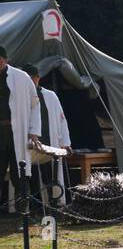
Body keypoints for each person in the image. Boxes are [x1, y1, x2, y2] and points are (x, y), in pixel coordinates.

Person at [22, 63, 71, 214]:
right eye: (28, 79)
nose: (31, 81)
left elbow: (62, 119)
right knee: (31, 178)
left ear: (38, 78)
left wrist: (65, 143)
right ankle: (34, 209)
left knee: (51, 177)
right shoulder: (20, 98)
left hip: (50, 145)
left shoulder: (50, 96)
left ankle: (55, 206)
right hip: (29, 146)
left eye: (33, 78)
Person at [0, 46, 39, 216]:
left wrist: (33, 130)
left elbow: (34, 105)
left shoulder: (21, 77)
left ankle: (23, 213)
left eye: (1, 58)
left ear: (6, 59)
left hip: (18, 132)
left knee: (20, 173)